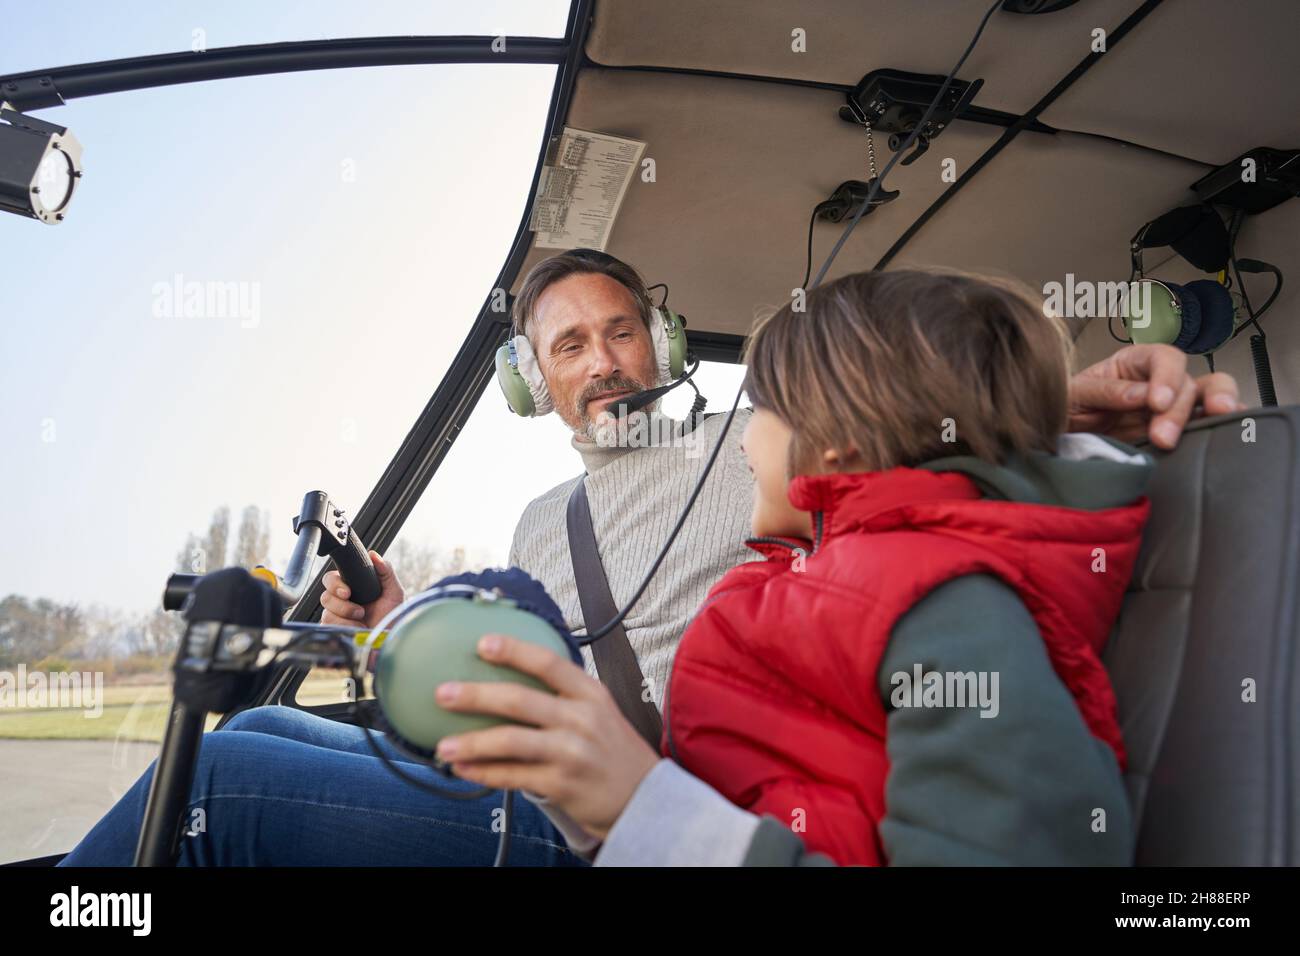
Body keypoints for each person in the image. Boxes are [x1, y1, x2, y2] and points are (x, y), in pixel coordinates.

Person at [58, 252, 1243, 866]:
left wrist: (1056, 401)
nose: (605, 357)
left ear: (663, 340)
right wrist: (393, 617)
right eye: (569, 343)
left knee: (209, 796)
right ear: (536, 381)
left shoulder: (748, 445)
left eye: (621, 328)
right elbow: (530, 656)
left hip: (650, 804)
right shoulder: (536, 520)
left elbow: (917, 429)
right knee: (252, 736)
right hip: (564, 780)